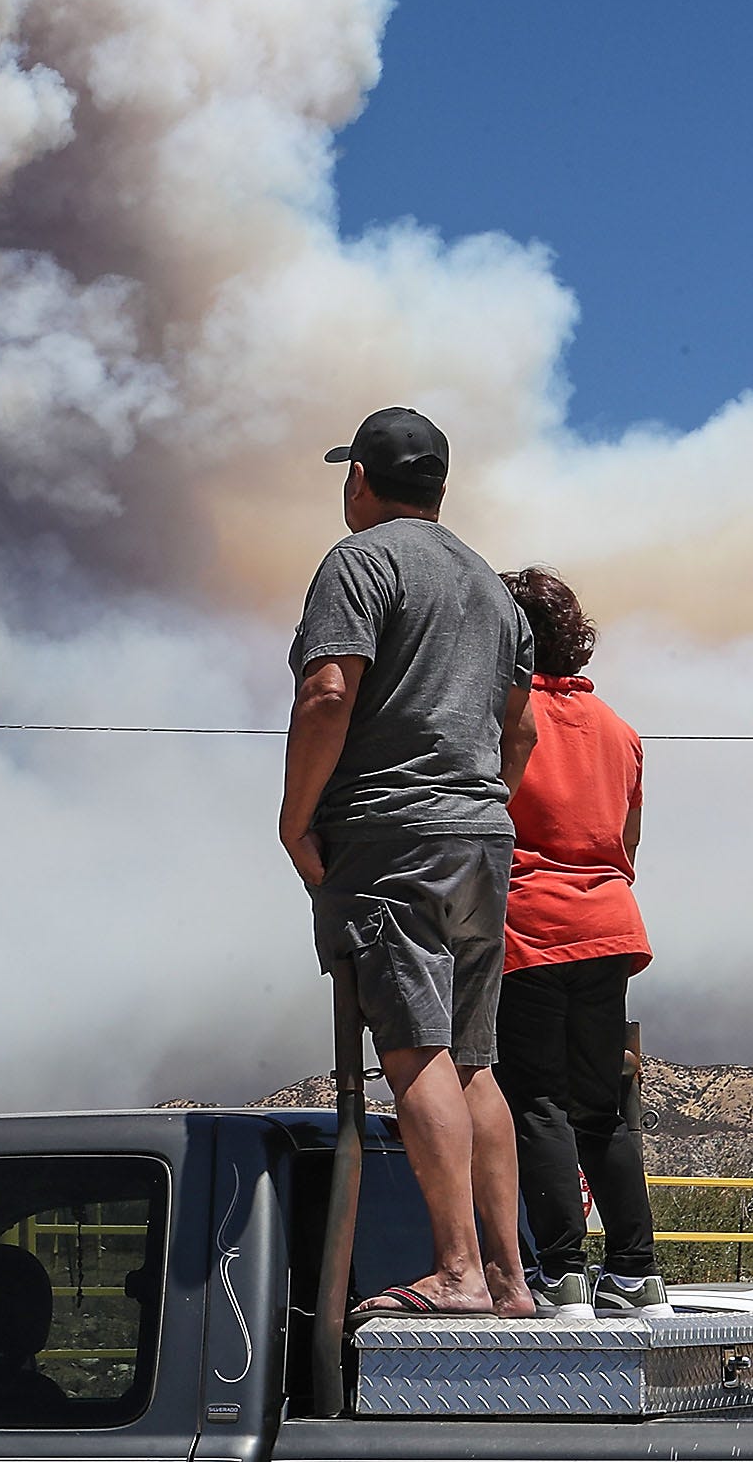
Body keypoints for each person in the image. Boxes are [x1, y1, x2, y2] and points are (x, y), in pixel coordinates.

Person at [280, 406, 539, 1320]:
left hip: (393, 839)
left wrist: (295, 815)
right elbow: (522, 730)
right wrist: (480, 802)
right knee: (475, 1061)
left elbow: (327, 693)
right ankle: (511, 1279)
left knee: (413, 1049)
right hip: (482, 839)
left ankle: (458, 1271)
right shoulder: (494, 590)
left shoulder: (360, 564)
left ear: (361, 479)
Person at [492, 567, 660, 1321]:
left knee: (538, 1103)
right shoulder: (621, 731)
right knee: (601, 1109)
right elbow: (627, 841)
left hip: (528, 927)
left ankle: (561, 1276)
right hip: (610, 927)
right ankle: (636, 1274)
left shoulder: (504, 714)